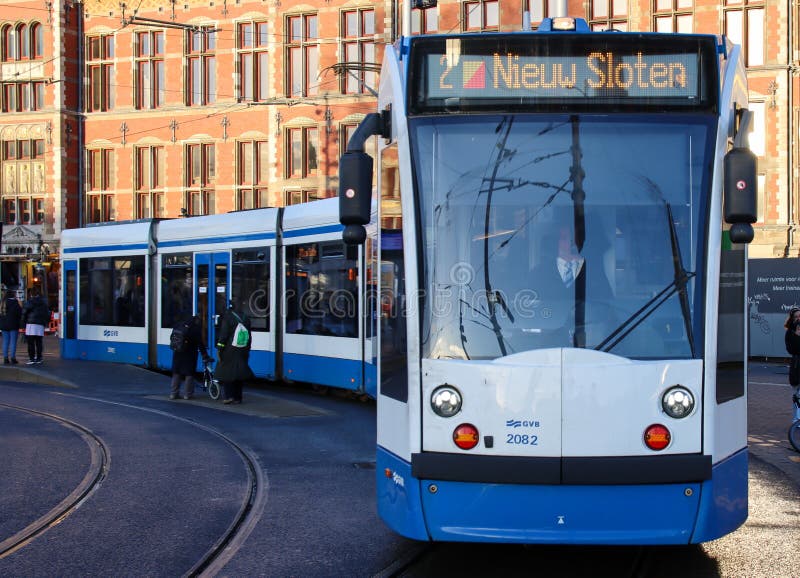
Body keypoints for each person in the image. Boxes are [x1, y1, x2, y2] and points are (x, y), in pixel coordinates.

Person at [215, 301, 253, 405]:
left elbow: (223, 335)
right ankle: (238, 397)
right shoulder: (246, 318)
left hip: (229, 350)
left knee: (227, 373)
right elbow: (249, 335)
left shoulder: (228, 318)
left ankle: (229, 396)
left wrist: (219, 348)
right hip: (242, 349)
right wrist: (247, 349)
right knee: (239, 373)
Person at [170, 314, 211, 400]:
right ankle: (187, 394)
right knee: (189, 373)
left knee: (176, 372)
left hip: (178, 352)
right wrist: (205, 355)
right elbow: (200, 344)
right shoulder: (195, 329)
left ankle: (173, 394)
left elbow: (172, 337)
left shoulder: (179, 325)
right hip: (190, 354)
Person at [21, 288, 49, 365]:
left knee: (31, 343)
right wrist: (45, 323)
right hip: (40, 325)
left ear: (31, 294)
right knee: (39, 342)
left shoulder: (29, 302)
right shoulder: (43, 303)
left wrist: (23, 323)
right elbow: (47, 313)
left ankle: (32, 358)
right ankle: (39, 358)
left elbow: (24, 313)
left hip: (31, 324)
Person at [0, 289, 22, 364]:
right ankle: (13, 358)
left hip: (4, 325)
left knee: (5, 341)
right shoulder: (15, 302)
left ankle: (5, 358)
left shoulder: (2, 303)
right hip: (13, 324)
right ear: (13, 295)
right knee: (13, 342)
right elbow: (19, 313)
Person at [784, 308, 800, 393]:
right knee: (797, 395)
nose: (798, 318)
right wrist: (797, 336)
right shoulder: (790, 332)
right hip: (797, 367)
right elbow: (791, 350)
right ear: (792, 319)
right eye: (796, 317)